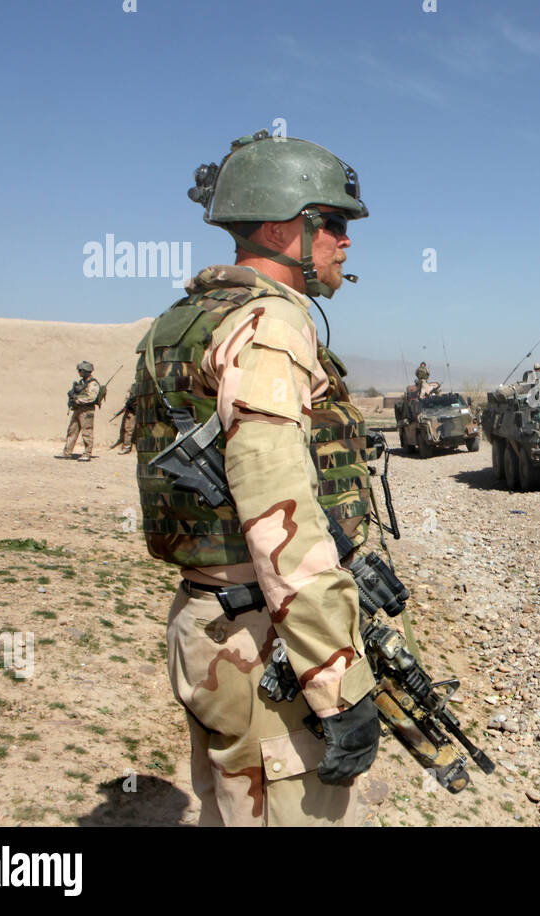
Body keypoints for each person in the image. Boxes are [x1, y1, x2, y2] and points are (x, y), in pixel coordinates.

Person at [133, 130, 379, 826]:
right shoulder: (268, 324)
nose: (345, 241)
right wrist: (336, 683)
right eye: (331, 223)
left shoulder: (180, 321)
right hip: (264, 640)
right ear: (282, 227)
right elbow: (281, 514)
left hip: (208, 623)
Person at [59, 361, 100, 460]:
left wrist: (77, 399)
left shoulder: (93, 384)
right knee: (72, 430)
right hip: (78, 409)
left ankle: (87, 453)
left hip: (87, 410)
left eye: (80, 370)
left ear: (86, 371)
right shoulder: (82, 382)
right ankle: (67, 452)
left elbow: (91, 397)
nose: (79, 372)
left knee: (87, 432)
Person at [108, 390, 136, 454]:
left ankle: (127, 447)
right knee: (128, 428)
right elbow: (127, 399)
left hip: (134, 411)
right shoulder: (134, 387)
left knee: (129, 429)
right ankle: (126, 447)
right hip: (131, 410)